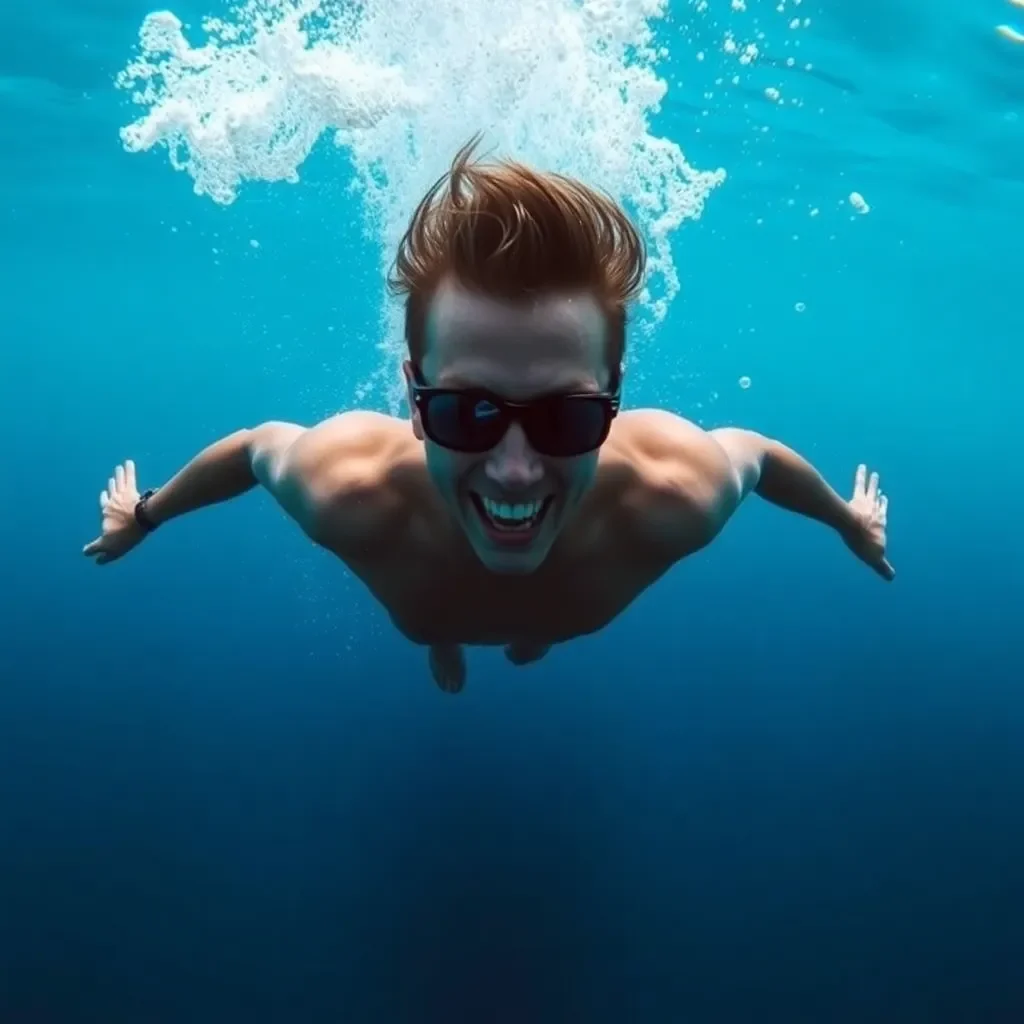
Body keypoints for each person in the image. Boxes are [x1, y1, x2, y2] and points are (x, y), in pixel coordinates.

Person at [83, 139, 894, 693]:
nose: (514, 466)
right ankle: (464, 636)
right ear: (411, 399)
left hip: (531, 601)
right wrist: (145, 515)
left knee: (533, 628)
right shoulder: (348, 488)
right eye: (468, 412)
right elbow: (259, 449)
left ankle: (523, 636)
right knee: (465, 610)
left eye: (565, 418)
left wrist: (846, 520)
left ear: (614, 401)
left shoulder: (673, 492)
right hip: (436, 596)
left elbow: (756, 457)